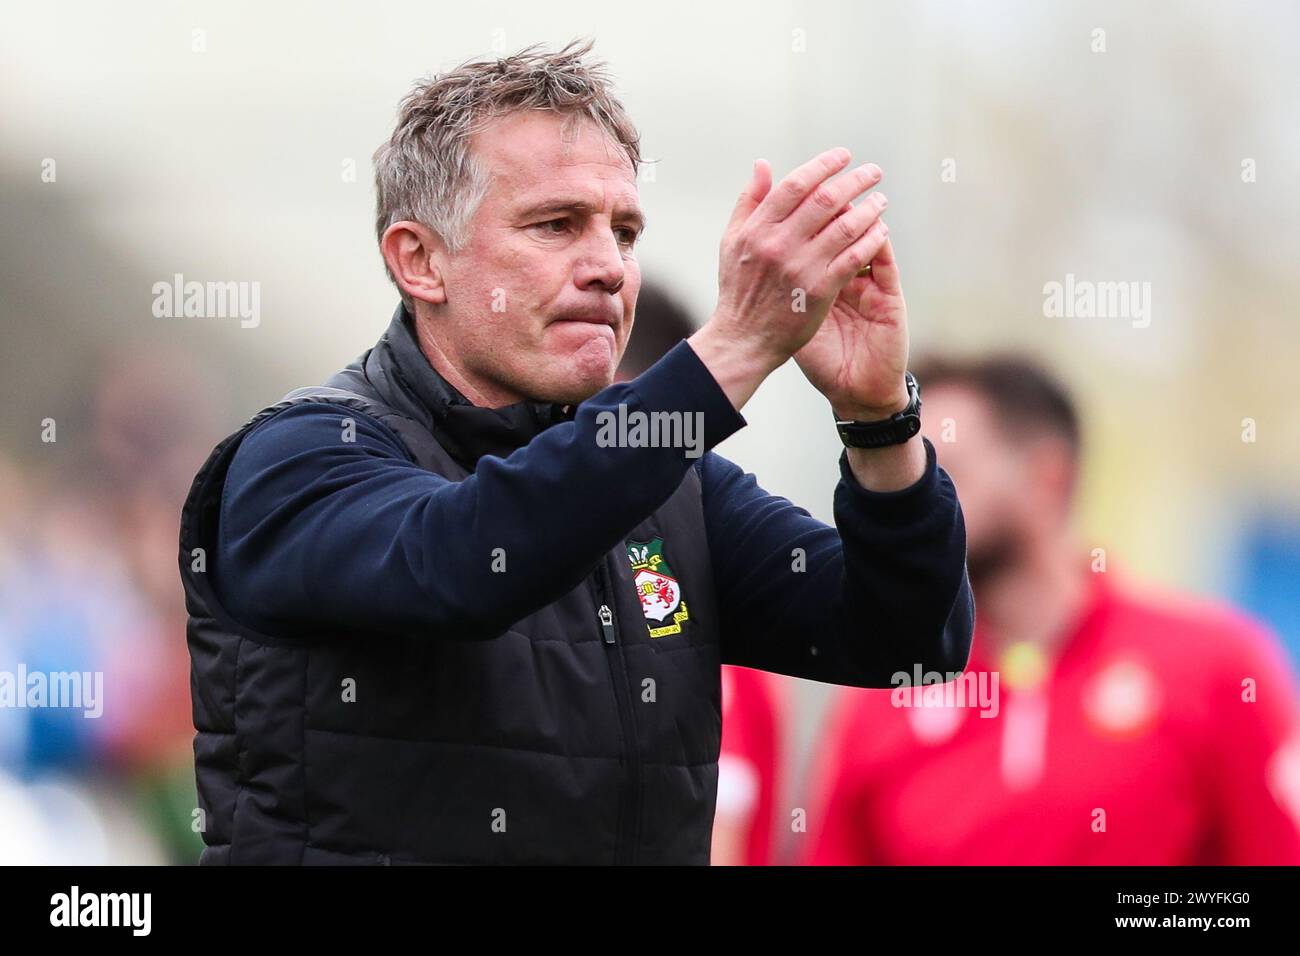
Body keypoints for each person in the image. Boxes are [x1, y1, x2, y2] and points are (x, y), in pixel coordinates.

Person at [180, 40, 973, 865]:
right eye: (555, 225)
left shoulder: (669, 490)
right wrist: (735, 347)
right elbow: (473, 561)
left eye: (625, 232)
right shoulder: (300, 459)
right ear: (420, 261)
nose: (608, 268)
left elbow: (911, 642)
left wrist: (877, 418)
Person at [802, 355, 1300, 865]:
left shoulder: (1218, 666)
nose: (913, 503)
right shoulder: (887, 687)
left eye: (943, 474)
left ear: (1048, 477)